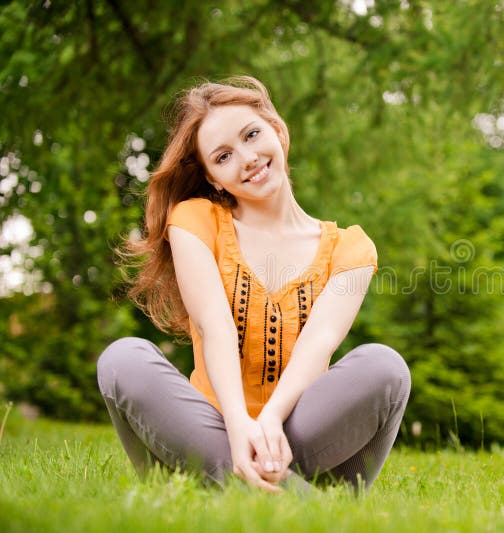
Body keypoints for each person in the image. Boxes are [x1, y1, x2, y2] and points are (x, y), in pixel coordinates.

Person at [96, 76, 411, 493]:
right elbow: (214, 326)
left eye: (252, 135)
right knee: (123, 359)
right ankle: (301, 506)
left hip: (299, 435)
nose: (246, 158)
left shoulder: (350, 249)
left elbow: (318, 348)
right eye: (223, 156)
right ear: (212, 178)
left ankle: (233, 493)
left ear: (277, 130)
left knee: (386, 367)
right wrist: (239, 425)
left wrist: (268, 422)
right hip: (208, 428)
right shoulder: (195, 220)